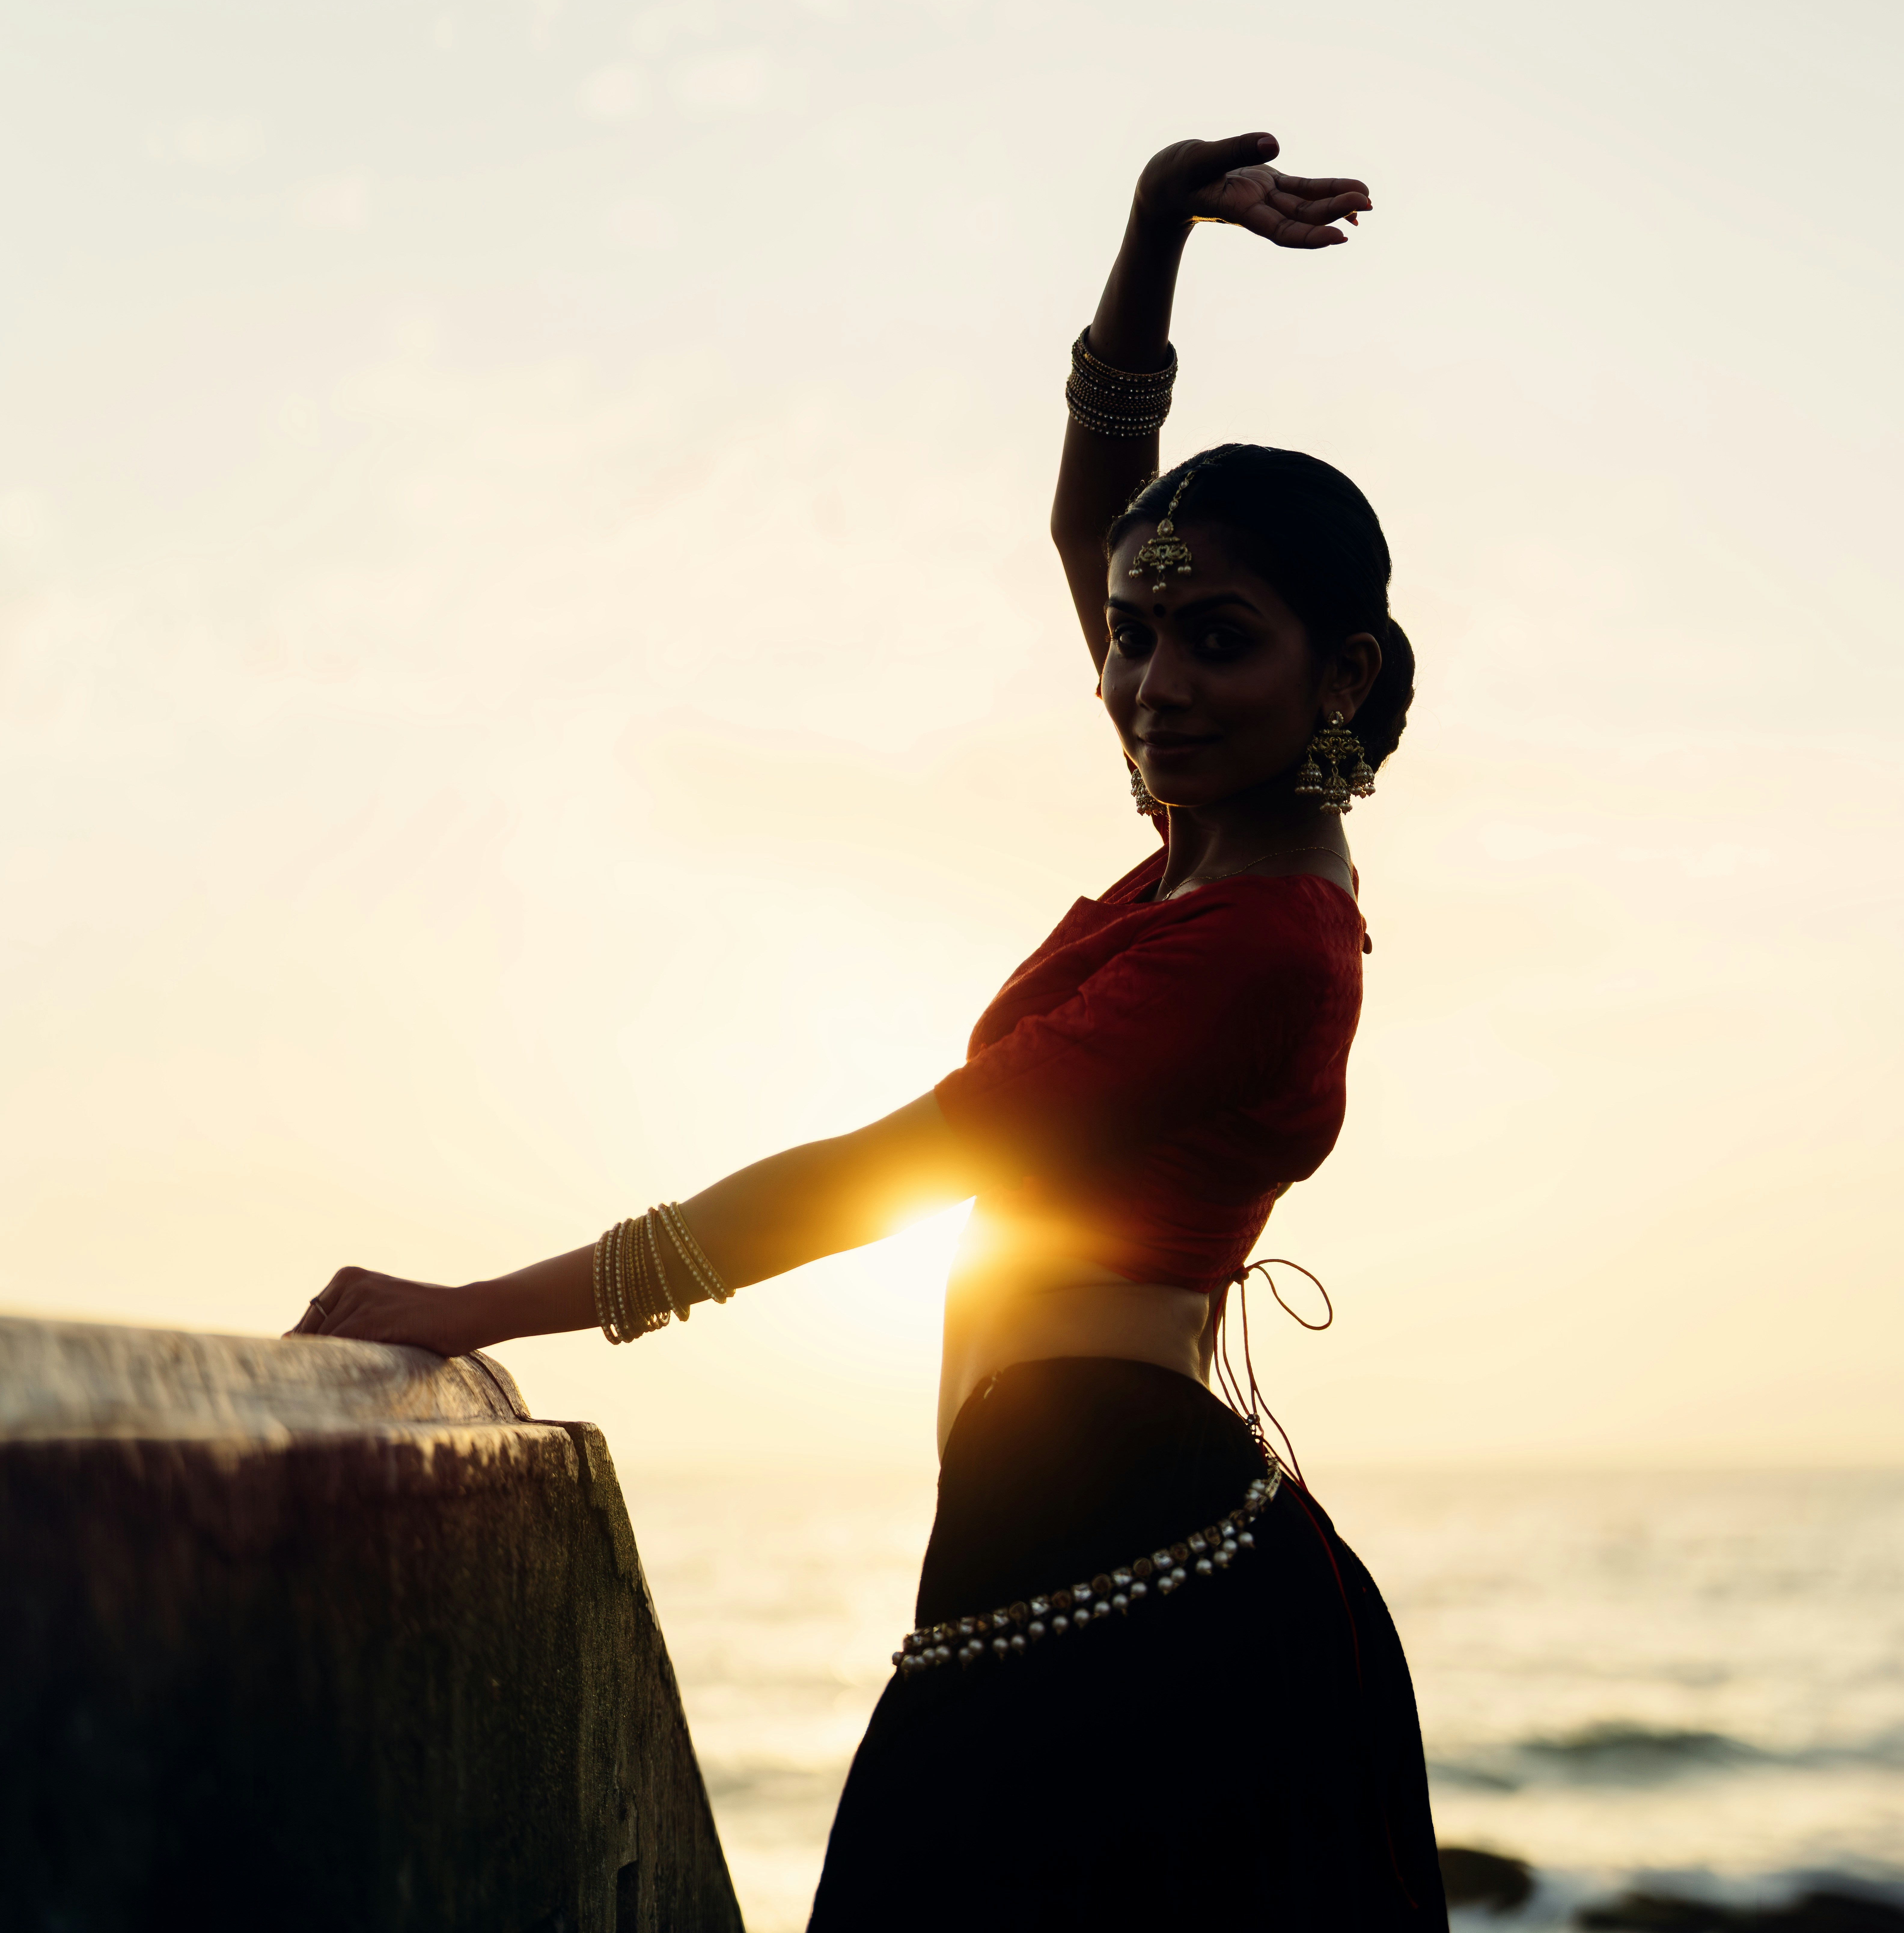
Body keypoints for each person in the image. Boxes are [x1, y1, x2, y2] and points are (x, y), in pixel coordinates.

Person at [291, 131, 1448, 1931]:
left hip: (1128, 1553)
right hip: (1061, 1534)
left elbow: (905, 1168)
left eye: (1216, 642)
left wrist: (473, 1312)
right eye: (1138, 642)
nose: (1151, 683)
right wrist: (1154, 227)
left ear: (1343, 675)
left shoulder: (1267, 948)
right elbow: (1099, 514)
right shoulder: (1195, 853)